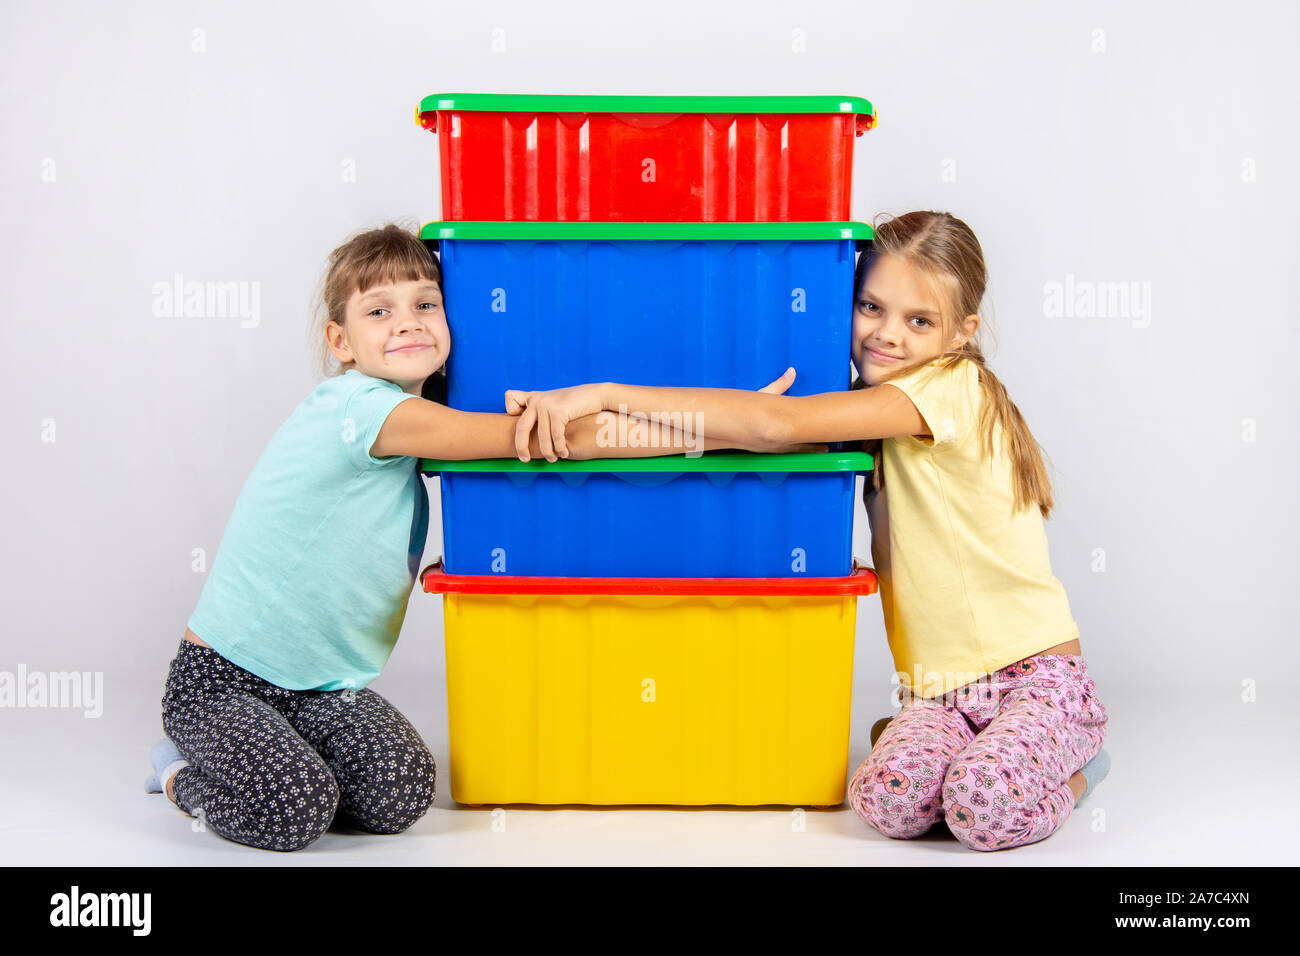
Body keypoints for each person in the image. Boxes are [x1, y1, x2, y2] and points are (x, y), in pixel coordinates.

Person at [144, 222, 807, 851]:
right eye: (379, 311)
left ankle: (283, 752)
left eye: (425, 303)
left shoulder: (417, 421)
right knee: (295, 810)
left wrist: (733, 425)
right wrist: (734, 427)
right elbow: (559, 441)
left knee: (403, 794)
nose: (407, 321)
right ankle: (178, 774)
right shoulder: (359, 411)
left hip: (320, 688)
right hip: (224, 680)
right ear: (340, 343)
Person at [503, 210, 1111, 851]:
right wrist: (582, 434)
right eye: (871, 307)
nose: (887, 335)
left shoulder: (951, 387)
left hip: (1036, 677)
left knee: (981, 809)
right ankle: (956, 751)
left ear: (963, 333)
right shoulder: (864, 405)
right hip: (937, 690)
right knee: (886, 804)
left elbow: (773, 427)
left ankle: (1080, 765)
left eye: (919, 321)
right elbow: (740, 429)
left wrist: (600, 391)